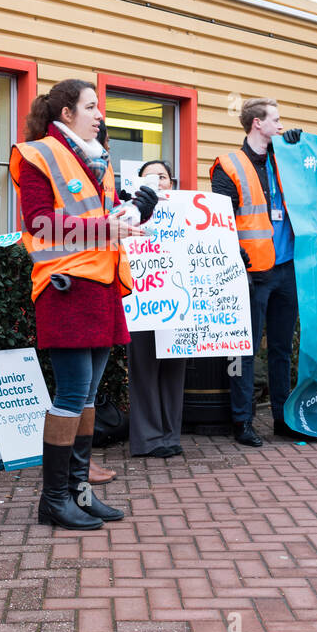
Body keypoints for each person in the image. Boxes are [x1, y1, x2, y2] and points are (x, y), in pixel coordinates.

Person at [10, 79, 158, 529]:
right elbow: (37, 221)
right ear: (67, 113)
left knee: (88, 395)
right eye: (91, 106)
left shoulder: (95, 157)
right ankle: (54, 499)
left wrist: (139, 209)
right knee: (73, 392)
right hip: (66, 287)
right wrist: (105, 230)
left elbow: (109, 214)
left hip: (100, 285)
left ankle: (78, 491)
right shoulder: (38, 153)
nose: (100, 115)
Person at [211, 98, 304, 445]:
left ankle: (282, 418)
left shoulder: (286, 160)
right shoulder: (229, 165)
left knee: (281, 348)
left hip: (287, 269)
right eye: (276, 121)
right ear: (256, 124)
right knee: (244, 350)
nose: (281, 126)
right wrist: (237, 258)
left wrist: (301, 144)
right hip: (252, 273)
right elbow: (220, 220)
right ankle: (242, 421)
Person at [127, 160, 187, 458]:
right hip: (142, 304)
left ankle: (170, 436)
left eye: (162, 176)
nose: (157, 182)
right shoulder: (127, 215)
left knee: (175, 372)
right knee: (145, 371)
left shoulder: (187, 214)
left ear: (172, 183)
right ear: (138, 183)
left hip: (179, 305)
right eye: (150, 177)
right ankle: (148, 439)